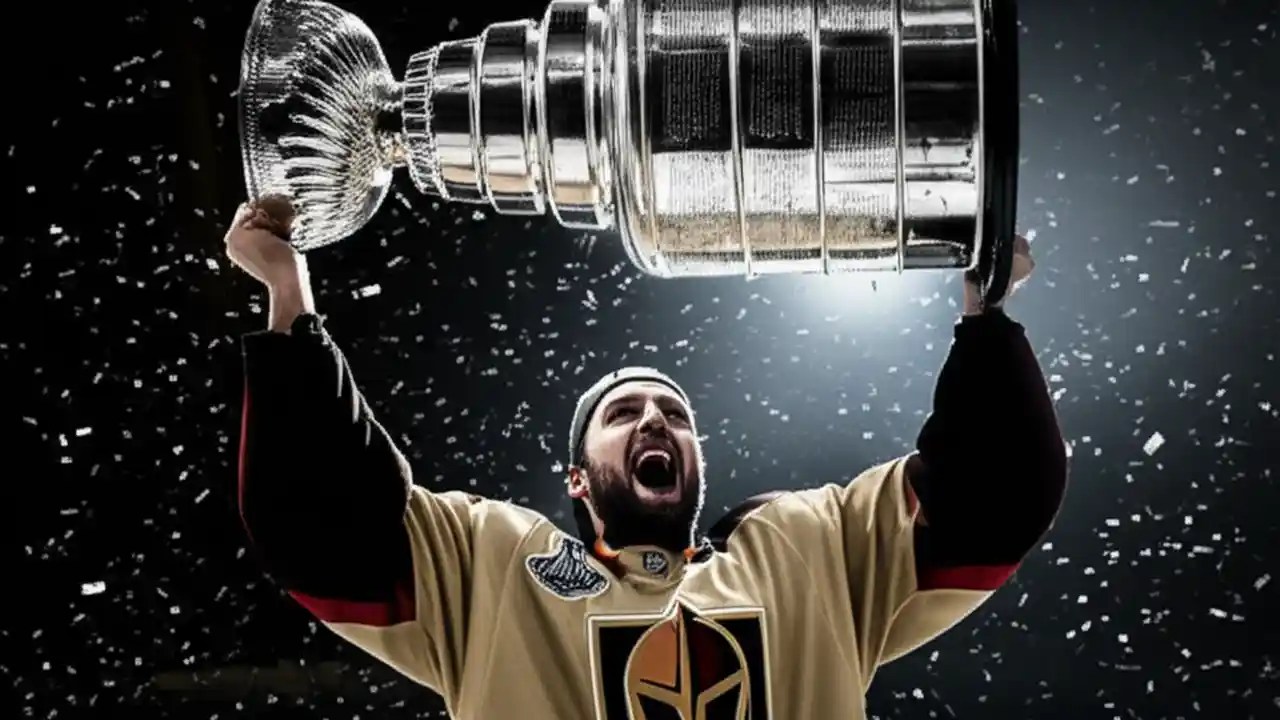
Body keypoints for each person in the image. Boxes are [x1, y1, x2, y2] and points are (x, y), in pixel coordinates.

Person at [226, 196, 1068, 719]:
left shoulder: (806, 551)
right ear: (578, 477)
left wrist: (985, 315)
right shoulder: (493, 566)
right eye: (623, 414)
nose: (655, 422)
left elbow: (998, 492)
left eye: (675, 414)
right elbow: (320, 521)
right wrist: (289, 296)